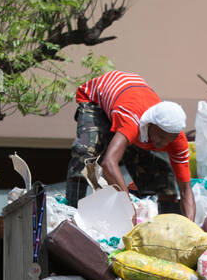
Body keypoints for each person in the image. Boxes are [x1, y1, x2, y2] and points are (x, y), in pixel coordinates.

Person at [68, 71, 195, 221]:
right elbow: (109, 163)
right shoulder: (133, 121)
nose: (163, 143)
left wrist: (190, 228)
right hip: (97, 98)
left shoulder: (177, 140)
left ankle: (169, 225)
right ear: (150, 124)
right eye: (160, 137)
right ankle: (72, 213)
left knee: (164, 178)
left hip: (130, 98)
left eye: (168, 140)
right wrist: (128, 208)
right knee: (86, 152)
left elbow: (186, 189)